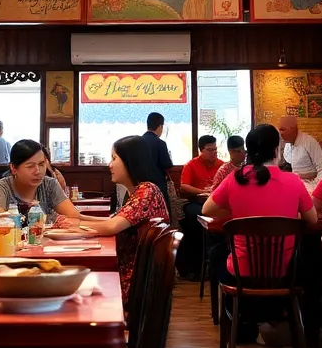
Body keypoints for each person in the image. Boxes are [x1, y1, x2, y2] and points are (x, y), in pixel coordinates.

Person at [205, 124, 319, 278]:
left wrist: (239, 211)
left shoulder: (235, 178)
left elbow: (207, 210)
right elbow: (313, 219)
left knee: (216, 253)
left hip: (242, 274)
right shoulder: (294, 180)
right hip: (283, 274)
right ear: (276, 151)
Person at [77, 135, 169, 301]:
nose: (109, 165)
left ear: (130, 161)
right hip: (133, 277)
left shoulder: (147, 191)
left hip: (132, 283)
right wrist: (77, 221)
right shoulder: (138, 191)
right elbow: (113, 221)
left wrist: (74, 225)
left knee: (76, 287)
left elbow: (111, 227)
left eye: (114, 158)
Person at [0, 140, 88, 225]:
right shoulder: (1, 188)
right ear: (13, 168)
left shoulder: (49, 184)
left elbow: (74, 217)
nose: (38, 171)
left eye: (41, 164)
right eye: (30, 166)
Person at [177, 135, 223, 277]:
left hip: (216, 203)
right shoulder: (191, 165)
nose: (214, 153)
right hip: (196, 201)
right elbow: (184, 186)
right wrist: (202, 191)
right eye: (210, 150)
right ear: (201, 150)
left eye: (215, 149)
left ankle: (217, 264)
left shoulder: (222, 165)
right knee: (195, 217)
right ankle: (196, 266)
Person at [276, 115, 322, 189]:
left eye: (282, 130)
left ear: (293, 129)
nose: (280, 133)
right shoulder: (287, 144)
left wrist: (315, 188)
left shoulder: (309, 142)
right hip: (295, 185)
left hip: (311, 186)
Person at [142, 112, 173, 204]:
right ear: (160, 126)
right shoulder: (160, 143)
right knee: (161, 209)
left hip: (141, 186)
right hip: (158, 185)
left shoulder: (137, 142)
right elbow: (167, 164)